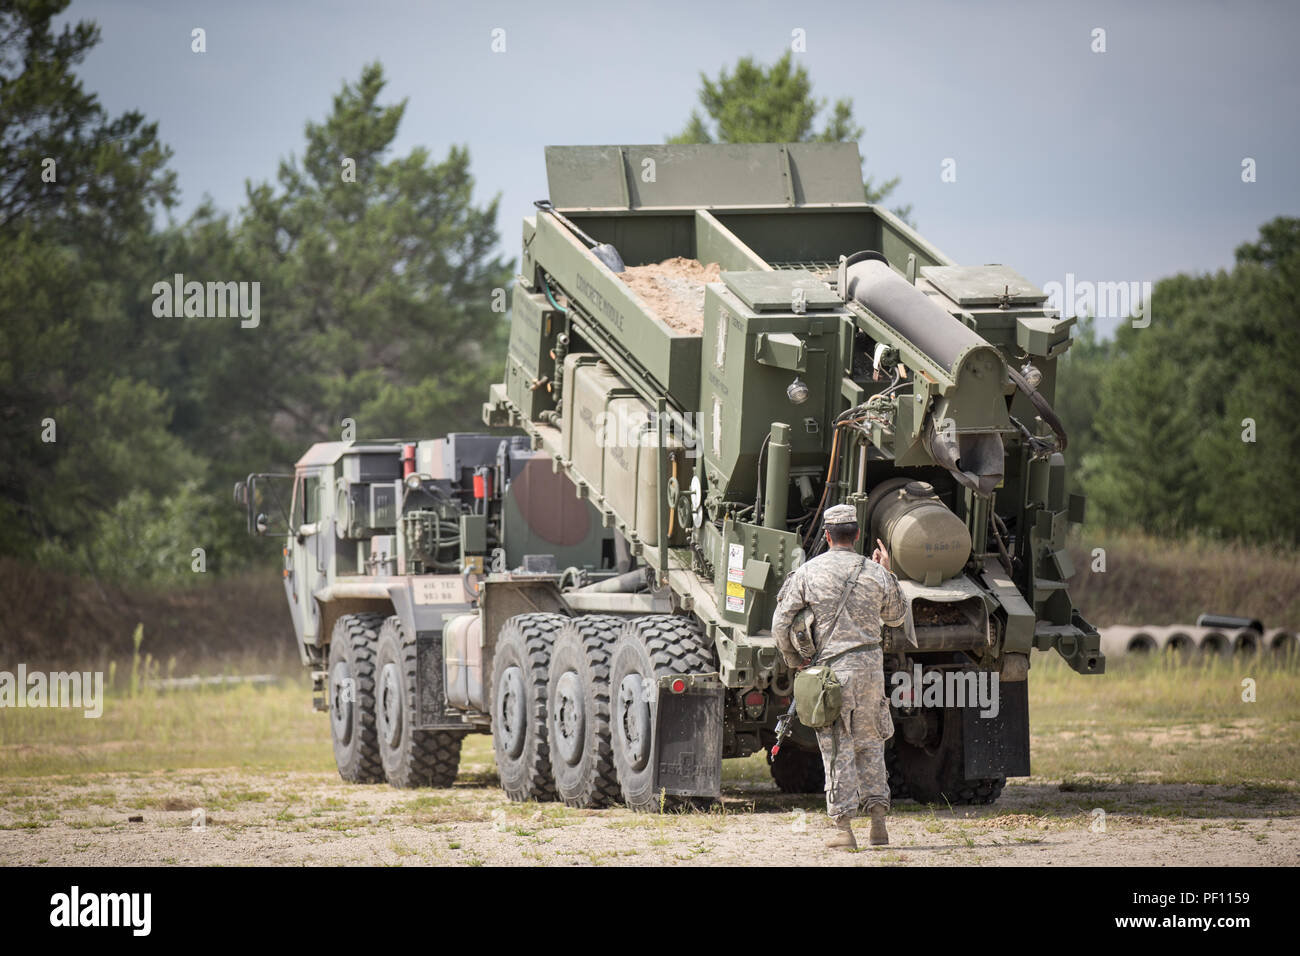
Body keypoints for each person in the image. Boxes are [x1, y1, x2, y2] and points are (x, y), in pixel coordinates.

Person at [771, 503, 906, 851]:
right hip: (871, 672)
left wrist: (796, 660)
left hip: (831, 675)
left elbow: (780, 623)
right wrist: (887, 571)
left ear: (827, 536)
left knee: (837, 750)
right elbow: (896, 617)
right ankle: (878, 825)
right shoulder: (875, 573)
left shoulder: (807, 573)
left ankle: (844, 830)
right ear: (858, 534)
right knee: (872, 744)